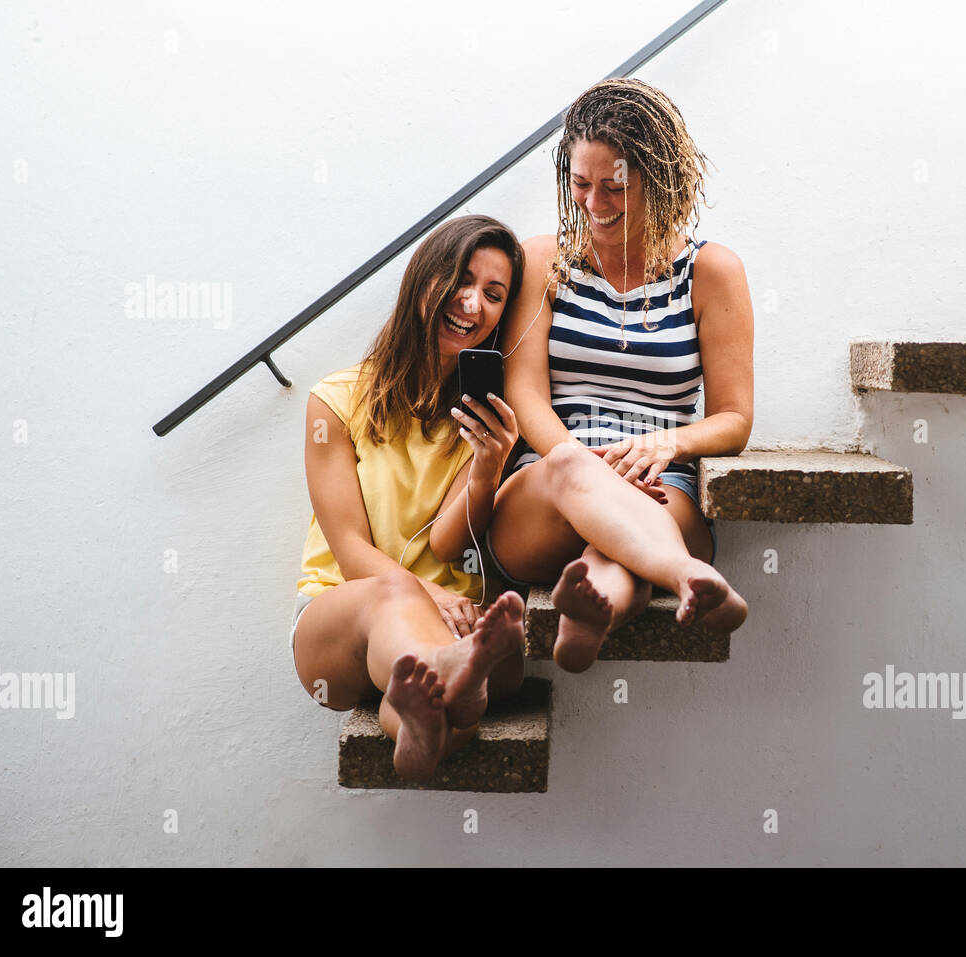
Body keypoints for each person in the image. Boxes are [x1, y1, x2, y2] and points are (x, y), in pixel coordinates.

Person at [478, 78, 753, 673]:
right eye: (581, 184)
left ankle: (592, 609)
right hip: (547, 484)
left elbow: (734, 421)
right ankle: (688, 575)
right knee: (589, 488)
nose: (595, 204)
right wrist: (585, 464)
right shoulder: (545, 261)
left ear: (661, 179)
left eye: (616, 187)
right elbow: (525, 394)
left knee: (611, 555)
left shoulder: (711, 272)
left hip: (661, 482)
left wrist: (666, 443)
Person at [290, 215, 528, 784]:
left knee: (443, 698)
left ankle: (422, 729)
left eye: (494, 295)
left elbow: (448, 543)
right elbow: (349, 550)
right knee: (396, 595)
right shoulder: (337, 400)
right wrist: (425, 597)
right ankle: (450, 670)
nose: (472, 303)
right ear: (425, 277)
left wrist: (489, 466)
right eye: (461, 279)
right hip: (339, 623)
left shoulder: (486, 419)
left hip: (447, 625)